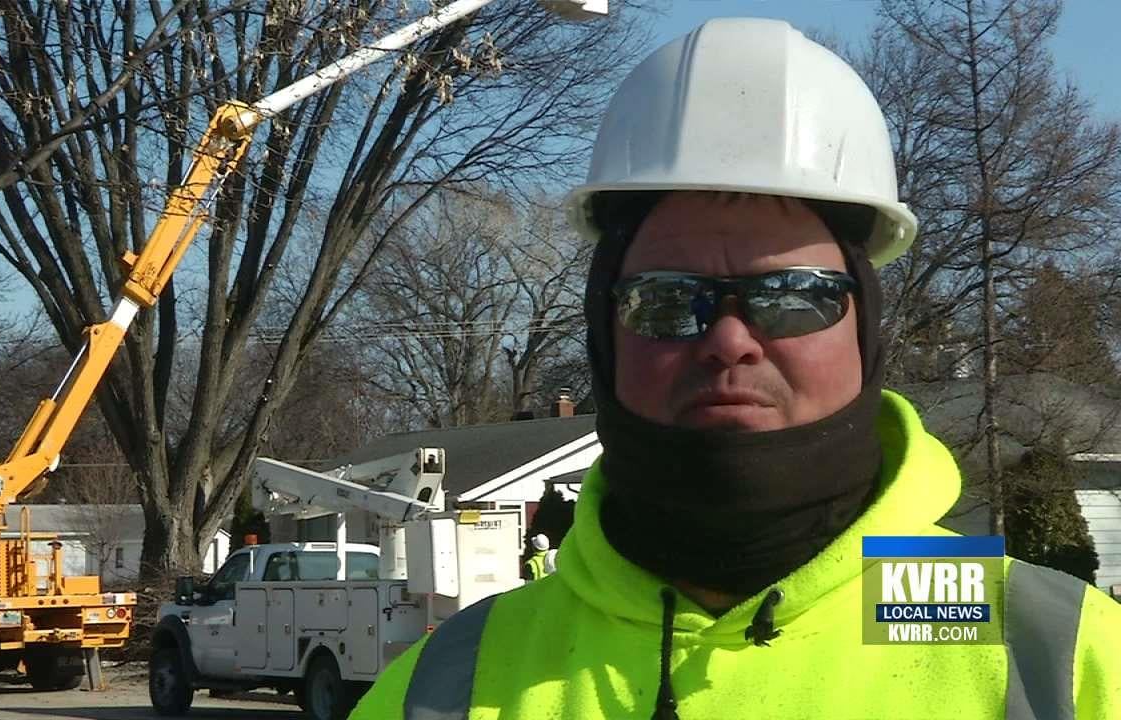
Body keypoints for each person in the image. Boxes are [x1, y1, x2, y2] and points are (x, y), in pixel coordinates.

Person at [352, 17, 1121, 719]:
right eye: (665, 299)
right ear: (603, 333)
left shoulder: (1063, 658)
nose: (729, 340)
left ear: (867, 330)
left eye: (793, 296)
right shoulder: (448, 685)